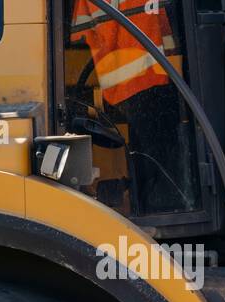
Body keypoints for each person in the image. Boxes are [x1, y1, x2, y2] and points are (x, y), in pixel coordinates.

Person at [71, 0, 196, 215]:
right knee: (162, 151)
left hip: (128, 81)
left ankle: (150, 204)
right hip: (147, 76)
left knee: (147, 149)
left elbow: (78, 37)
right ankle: (163, 206)